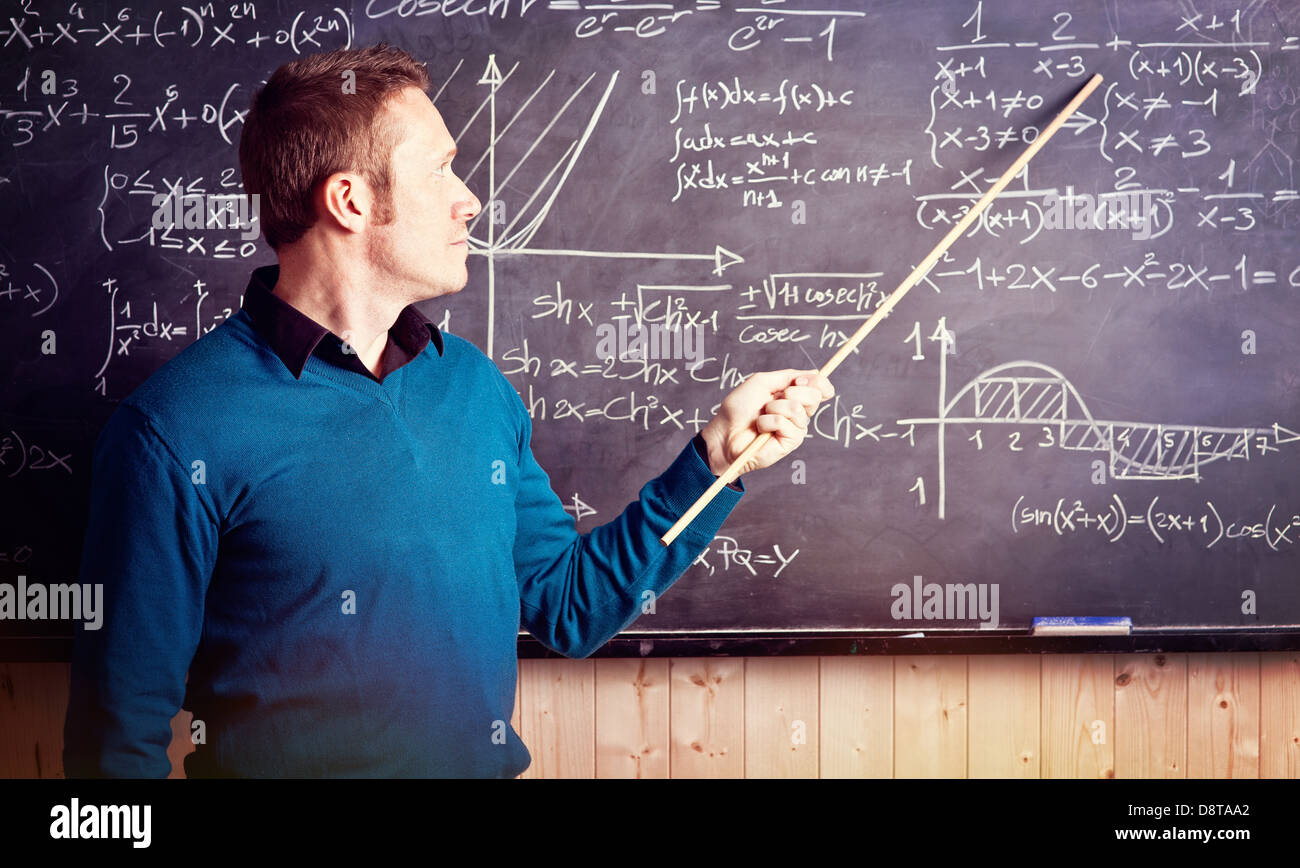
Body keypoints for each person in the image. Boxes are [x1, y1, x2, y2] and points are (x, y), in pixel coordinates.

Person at [63, 44, 835, 778]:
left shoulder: (472, 388)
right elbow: (115, 738)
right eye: (441, 171)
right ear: (350, 199)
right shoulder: (174, 431)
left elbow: (572, 608)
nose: (470, 200)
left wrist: (715, 463)